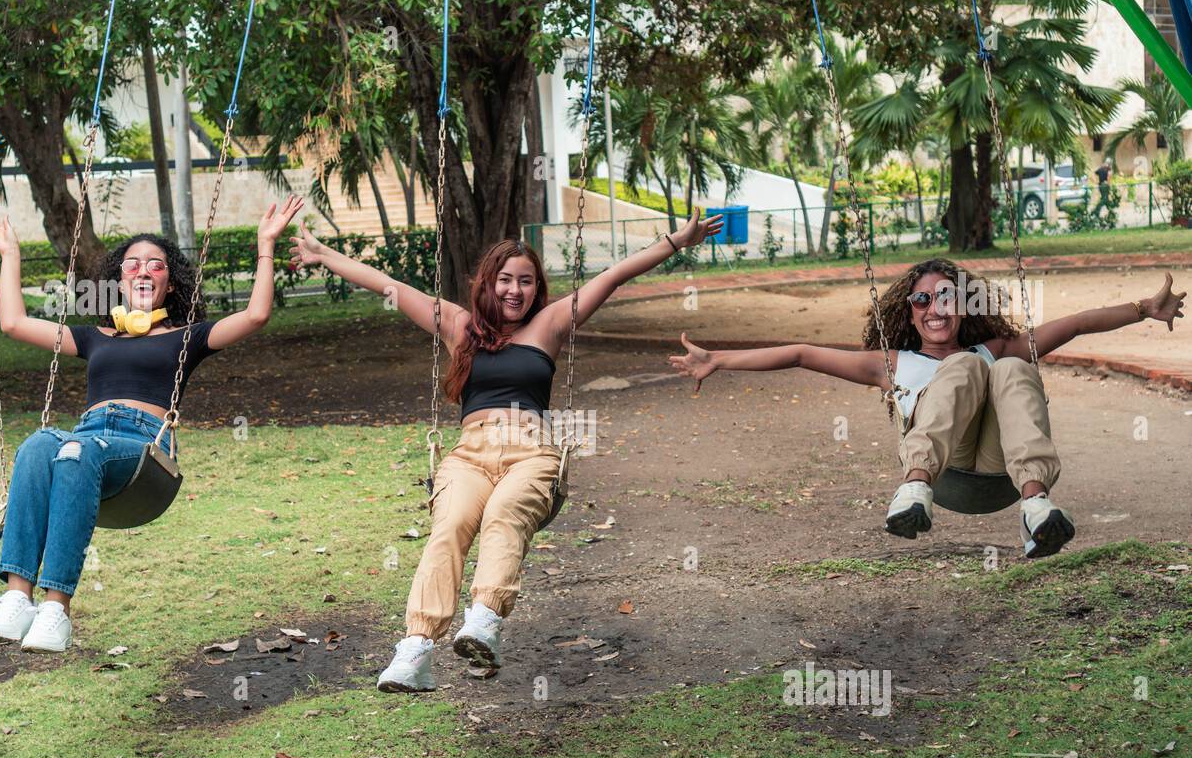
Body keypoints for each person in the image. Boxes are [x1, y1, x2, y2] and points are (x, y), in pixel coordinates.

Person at [291, 209, 722, 691]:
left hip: (531, 453)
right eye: (505, 280)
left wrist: (675, 242)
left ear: (538, 289)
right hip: (469, 455)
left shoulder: (551, 324)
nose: (515, 291)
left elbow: (614, 275)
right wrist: (323, 255)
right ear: (487, 283)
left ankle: (485, 620)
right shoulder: (458, 326)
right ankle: (416, 650)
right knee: (449, 528)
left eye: (526, 282)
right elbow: (387, 285)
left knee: (504, 514)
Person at [670, 258, 1185, 557]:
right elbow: (802, 354)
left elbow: (1075, 324)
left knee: (1012, 367)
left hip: (1002, 474)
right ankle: (913, 491)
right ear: (908, 311)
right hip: (946, 474)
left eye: (947, 298)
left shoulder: (995, 349)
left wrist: (1144, 308)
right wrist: (718, 359)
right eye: (923, 300)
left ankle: (1035, 507)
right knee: (962, 368)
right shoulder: (891, 364)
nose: (935, 309)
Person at [0, 196, 304, 652]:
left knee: (74, 451)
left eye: (155, 265)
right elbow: (13, 323)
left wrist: (265, 244)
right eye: (132, 264)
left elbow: (255, 315)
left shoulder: (188, 337)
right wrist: (10, 254)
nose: (143, 270)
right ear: (119, 281)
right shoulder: (95, 337)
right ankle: (16, 600)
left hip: (143, 446)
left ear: (170, 283)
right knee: (37, 445)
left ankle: (56, 610)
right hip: (88, 436)